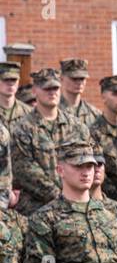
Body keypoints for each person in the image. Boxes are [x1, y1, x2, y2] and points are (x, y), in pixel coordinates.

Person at [11, 67, 89, 216]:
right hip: (36, 209)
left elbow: (88, 162)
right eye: (46, 88)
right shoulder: (23, 129)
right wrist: (61, 196)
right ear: (34, 91)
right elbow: (25, 170)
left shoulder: (76, 126)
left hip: (74, 208)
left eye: (55, 88)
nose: (52, 92)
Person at [88, 74, 117, 202]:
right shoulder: (93, 132)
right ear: (103, 96)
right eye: (116, 93)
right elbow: (98, 171)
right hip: (108, 201)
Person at [58, 59, 101, 130]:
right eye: (74, 78)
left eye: (82, 78)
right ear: (61, 78)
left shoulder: (95, 114)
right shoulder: (52, 111)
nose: (79, 82)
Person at [0, 61, 33, 129]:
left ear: (18, 82)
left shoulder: (29, 113)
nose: (10, 84)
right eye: (6, 79)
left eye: (14, 80)